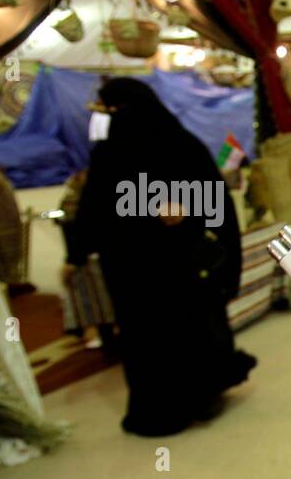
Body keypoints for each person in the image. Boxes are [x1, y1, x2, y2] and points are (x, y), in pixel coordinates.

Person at [65, 78, 255, 436]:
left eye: (113, 112)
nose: (110, 120)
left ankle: (198, 397)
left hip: (170, 264)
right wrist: (75, 254)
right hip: (130, 266)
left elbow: (215, 203)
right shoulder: (111, 154)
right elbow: (94, 208)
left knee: (181, 329)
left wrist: (187, 212)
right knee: (148, 337)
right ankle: (169, 405)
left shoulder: (178, 147)